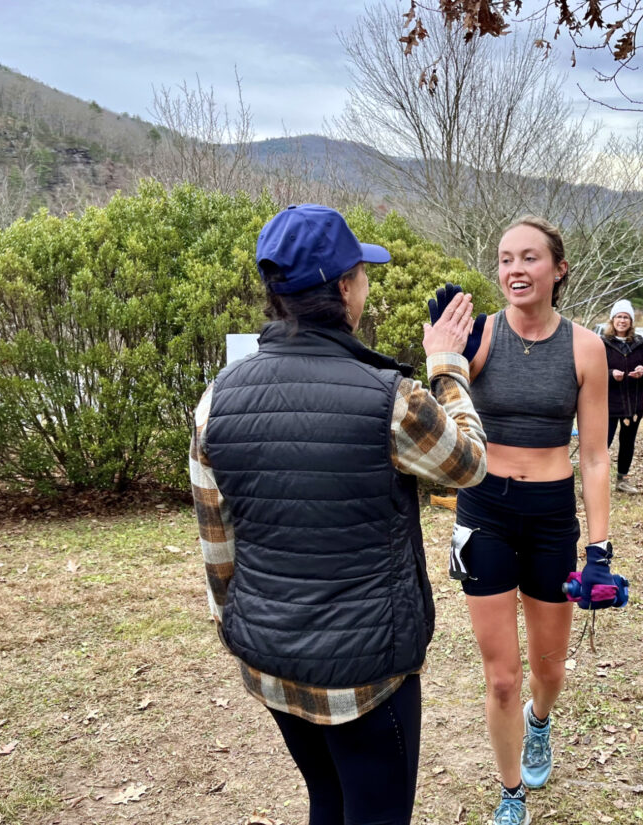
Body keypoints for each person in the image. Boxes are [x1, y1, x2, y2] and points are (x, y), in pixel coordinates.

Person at [189, 204, 487, 825]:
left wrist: (236, 630)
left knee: (326, 799)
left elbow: (219, 545)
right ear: (345, 288)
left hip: (269, 660)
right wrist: (448, 367)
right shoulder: (390, 399)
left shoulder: (218, 397)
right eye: (361, 272)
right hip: (368, 675)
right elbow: (468, 464)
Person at [436, 216, 616, 825]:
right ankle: (511, 793)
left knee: (548, 668)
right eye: (506, 257)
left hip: (549, 518)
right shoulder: (481, 336)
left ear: (558, 269)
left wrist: (600, 547)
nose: (516, 268)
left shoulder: (586, 346)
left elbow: (593, 455)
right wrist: (441, 356)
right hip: (483, 510)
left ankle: (541, 724)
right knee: (503, 677)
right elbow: (440, 414)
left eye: (530, 257)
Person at [602, 299, 643, 494]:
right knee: (604, 443)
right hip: (609, 402)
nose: (622, 321)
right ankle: (595, 482)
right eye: (619, 317)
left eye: (626, 317)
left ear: (631, 321)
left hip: (634, 402)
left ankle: (623, 481)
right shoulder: (602, 343)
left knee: (628, 442)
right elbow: (593, 370)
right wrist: (611, 374)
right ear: (612, 320)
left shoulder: (640, 344)